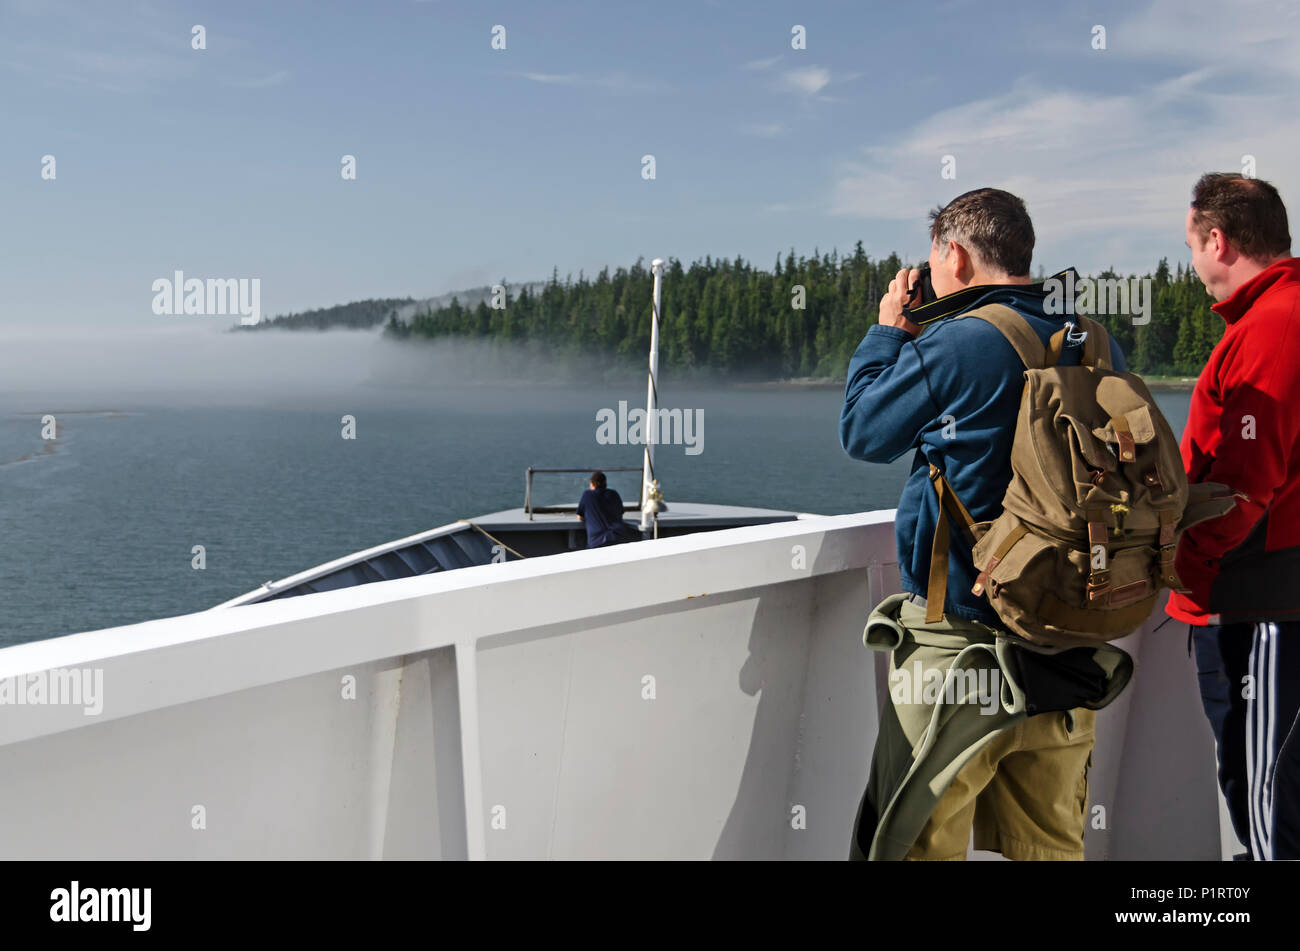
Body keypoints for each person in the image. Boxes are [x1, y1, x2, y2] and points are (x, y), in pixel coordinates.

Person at [840, 187, 1130, 861]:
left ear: (957, 255)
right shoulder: (1092, 340)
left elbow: (863, 431)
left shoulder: (961, 342)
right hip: (1065, 640)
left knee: (913, 845)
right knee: (1049, 851)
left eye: (936, 262)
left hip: (959, 646)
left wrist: (889, 330)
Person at [1166, 173, 1300, 861]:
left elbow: (1247, 487)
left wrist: (1180, 567)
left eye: (1192, 246)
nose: (1192, 265)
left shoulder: (1272, 327)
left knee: (1270, 806)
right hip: (1263, 596)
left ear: (1218, 240)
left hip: (1262, 606)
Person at [576, 471, 639, 548]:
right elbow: (620, 513)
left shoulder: (587, 495)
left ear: (592, 484)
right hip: (618, 537)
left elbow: (580, 516)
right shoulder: (614, 494)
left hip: (597, 541)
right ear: (605, 483)